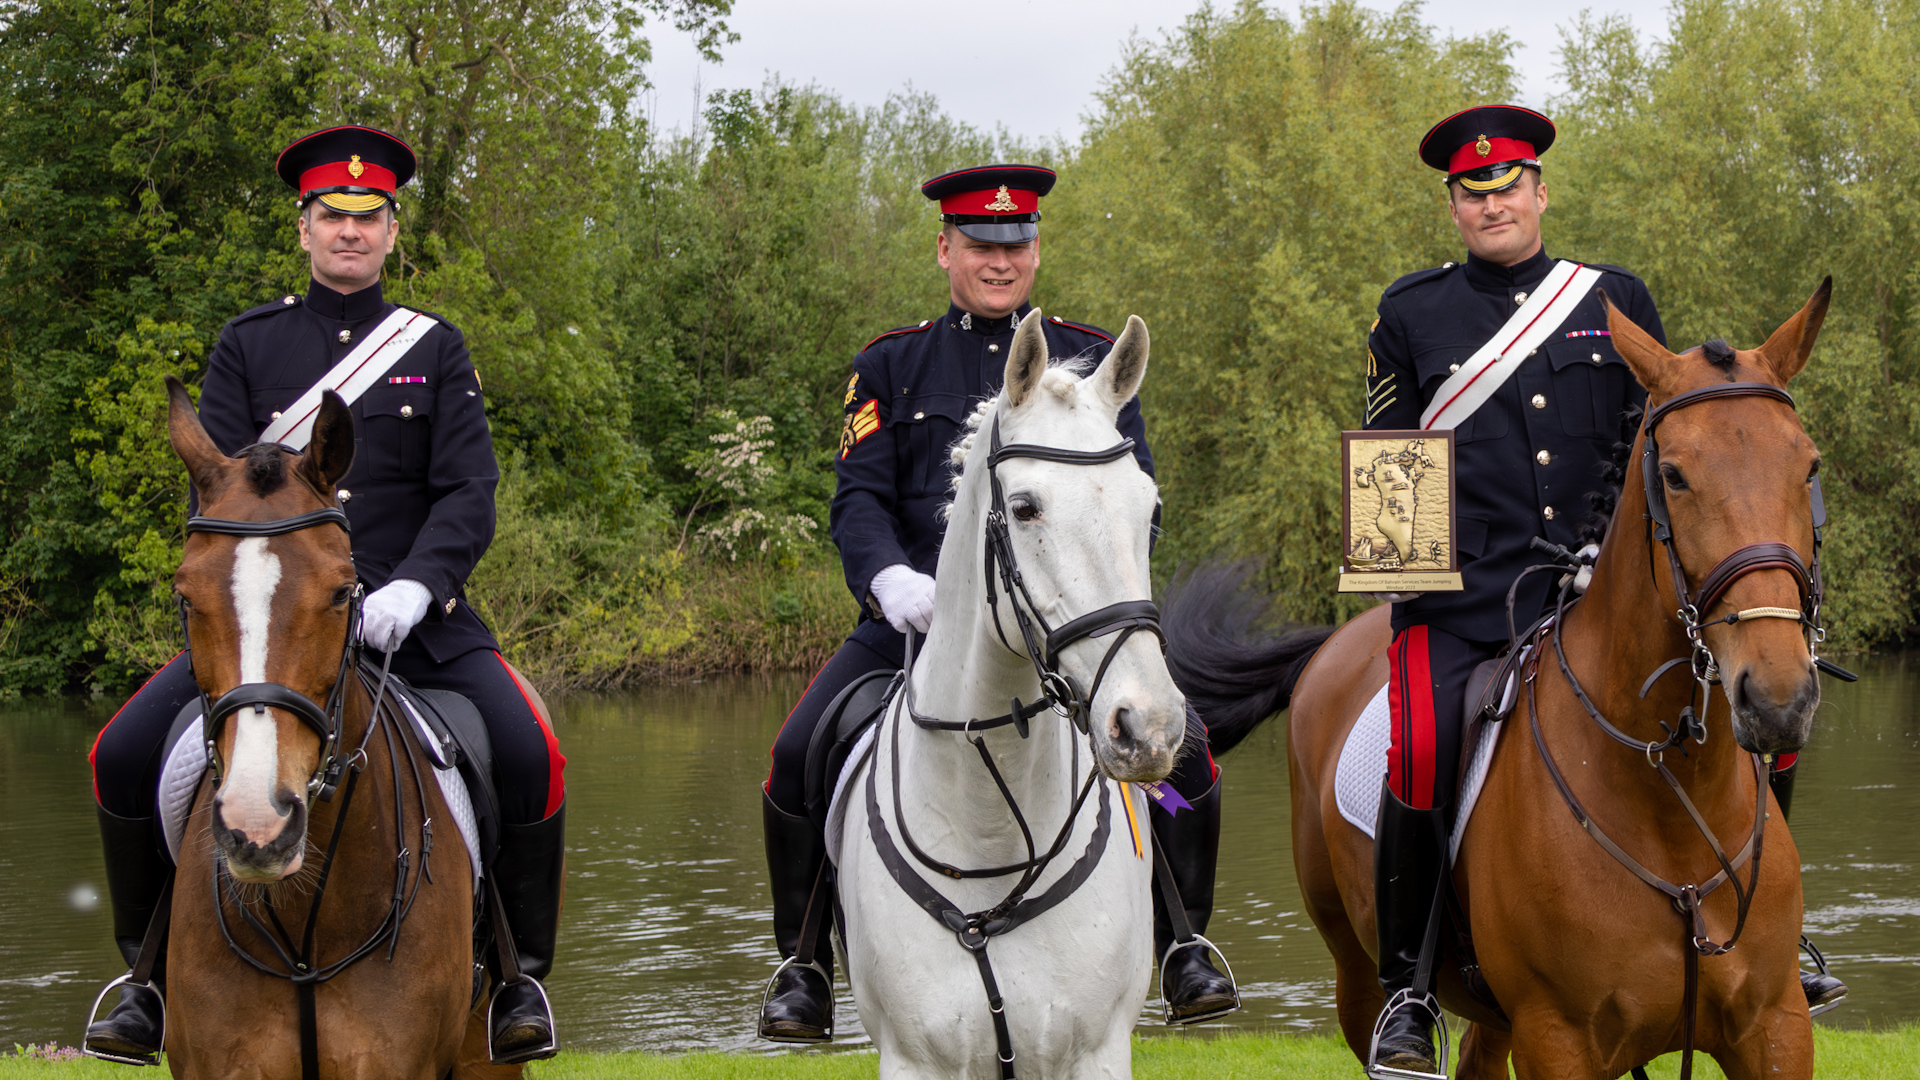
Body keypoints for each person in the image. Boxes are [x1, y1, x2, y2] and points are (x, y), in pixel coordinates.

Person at [1360, 105, 1844, 1075]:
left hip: (1608, 592)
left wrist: (1625, 574)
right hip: (1465, 606)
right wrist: (1432, 596)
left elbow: (1662, 454)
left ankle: (1779, 931)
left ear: (1541, 191)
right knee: (1416, 739)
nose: (1493, 203)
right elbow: (1391, 507)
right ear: (1454, 205)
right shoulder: (1408, 318)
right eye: (1472, 191)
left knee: (1766, 702)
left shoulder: (1611, 296)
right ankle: (1409, 990)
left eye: (1509, 186)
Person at [83, 125, 566, 1066]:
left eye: (369, 216)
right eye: (331, 215)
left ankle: (517, 981)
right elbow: (218, 488)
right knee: (122, 752)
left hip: (413, 629)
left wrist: (419, 589)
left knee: (527, 750)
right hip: (269, 632)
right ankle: (142, 984)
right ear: (303, 228)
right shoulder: (249, 343)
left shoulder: (437, 346)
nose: (351, 230)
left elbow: (469, 491)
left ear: (392, 231)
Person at [757, 164, 1238, 1042]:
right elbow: (856, 500)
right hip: (912, 629)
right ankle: (805, 964)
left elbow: (1130, 500)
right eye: (981, 244)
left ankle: (1183, 944)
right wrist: (890, 582)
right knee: (799, 760)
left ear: (1036, 250)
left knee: (1185, 778)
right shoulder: (891, 365)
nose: (999, 261)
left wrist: (1091, 603)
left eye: (1015, 245)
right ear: (946, 249)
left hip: (1057, 631)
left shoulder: (1091, 364)